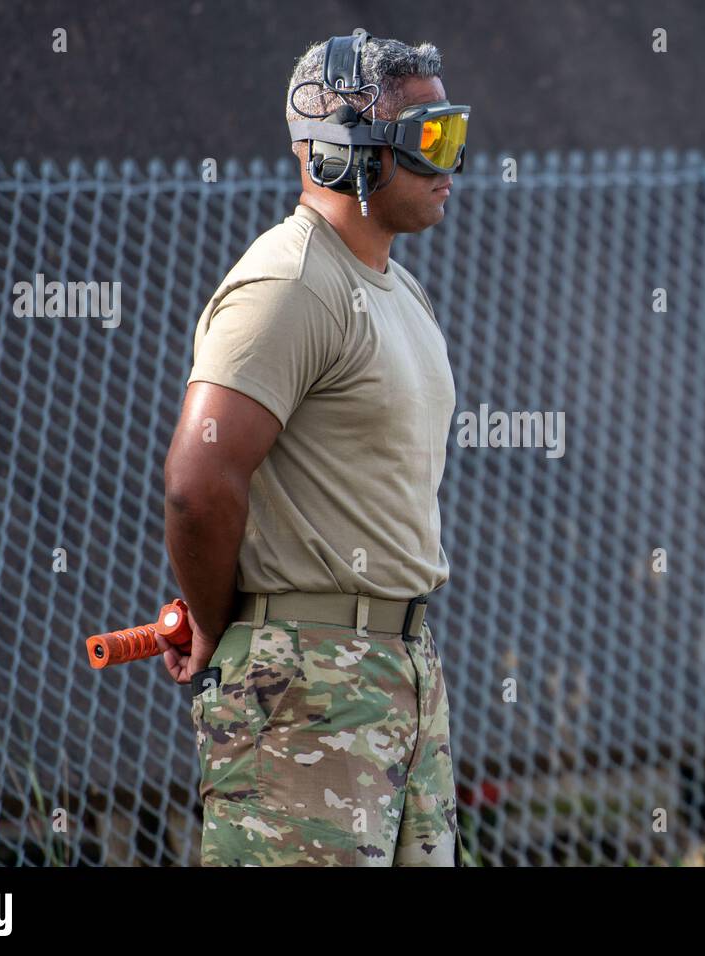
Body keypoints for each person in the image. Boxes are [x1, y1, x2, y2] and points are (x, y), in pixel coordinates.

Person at [159, 34, 467, 866]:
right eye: (429, 138)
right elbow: (199, 479)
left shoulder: (399, 289)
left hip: (400, 668)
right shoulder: (289, 284)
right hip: (305, 686)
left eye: (457, 135)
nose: (453, 164)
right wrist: (227, 631)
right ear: (345, 157)